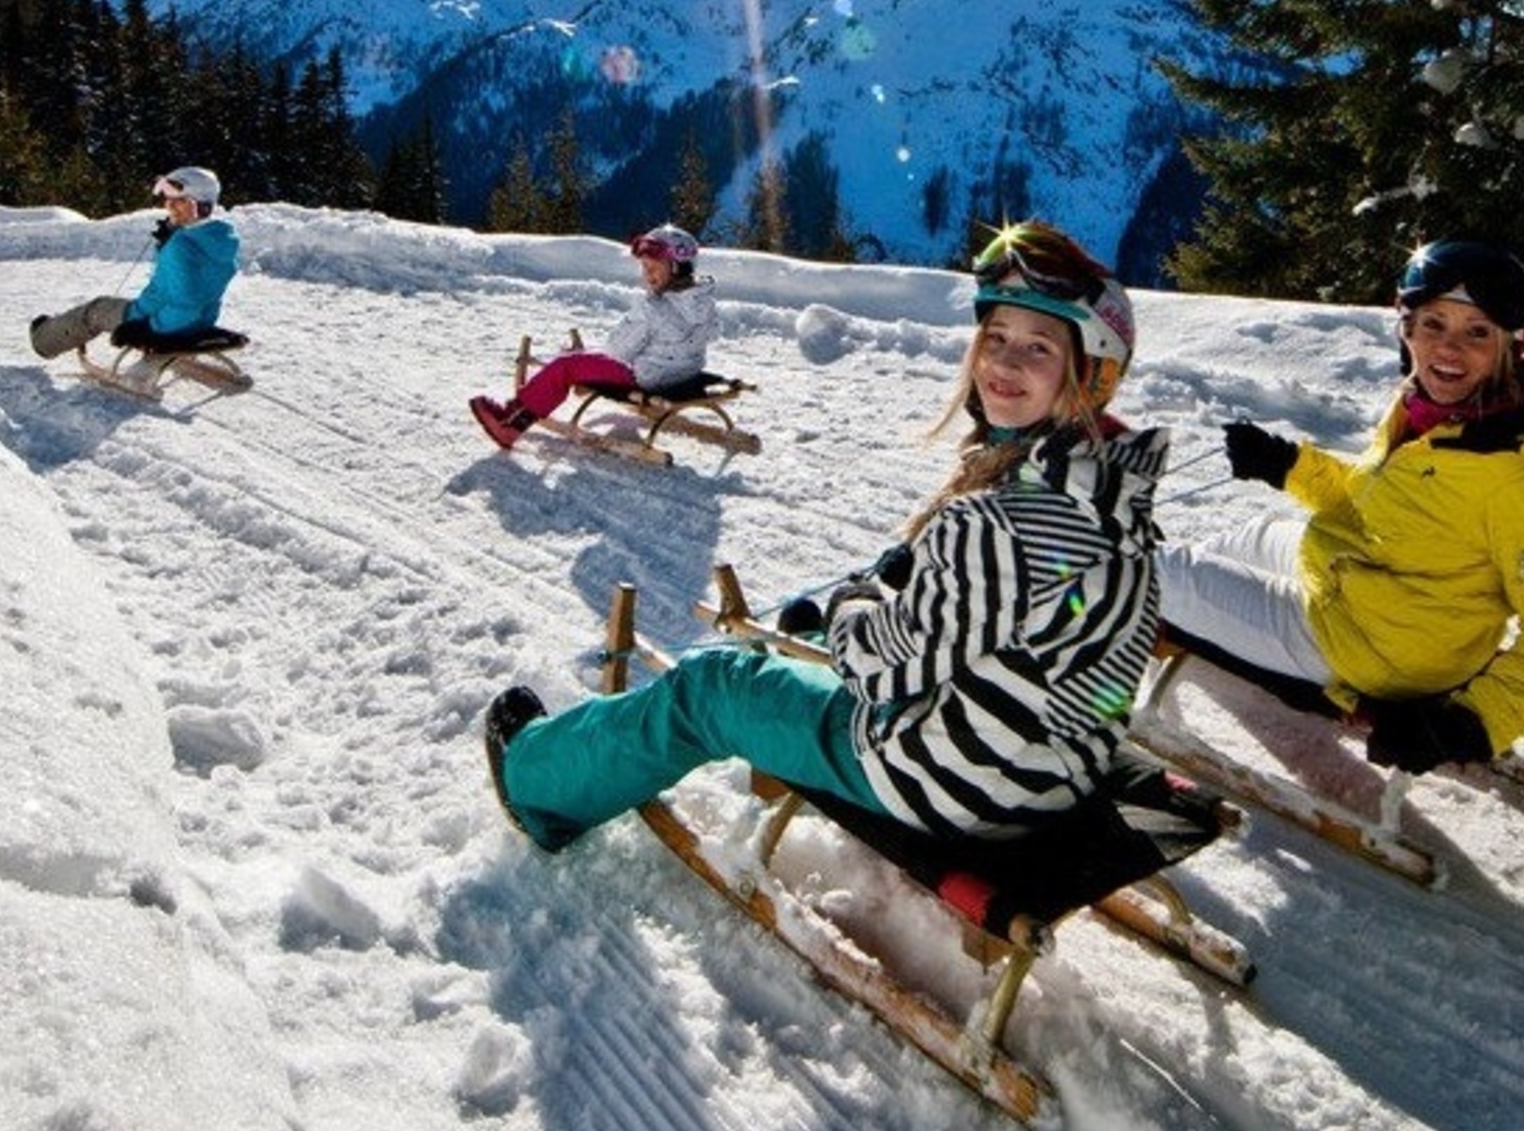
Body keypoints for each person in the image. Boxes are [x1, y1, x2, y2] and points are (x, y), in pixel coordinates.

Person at [483, 219, 1170, 854]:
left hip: (958, 785)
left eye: (1038, 347)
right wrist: (904, 593)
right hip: (1055, 768)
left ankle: (536, 783)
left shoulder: (994, 522)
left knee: (713, 683)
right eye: (995, 338)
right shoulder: (1114, 497)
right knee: (803, 647)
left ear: (1091, 372)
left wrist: (848, 611)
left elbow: (882, 666)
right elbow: (995, 620)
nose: (1004, 362)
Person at [1155, 239, 1524, 774]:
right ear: (1406, 329)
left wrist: (1470, 724)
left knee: (1153, 570)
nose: (1448, 349)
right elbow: (1382, 502)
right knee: (1252, 537)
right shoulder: (1428, 410)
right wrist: (1288, 465)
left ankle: (1115, 599)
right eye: (1433, 325)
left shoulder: (1521, 477)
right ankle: (1171, 608)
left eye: (1477, 332)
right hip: (1371, 596)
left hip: (1380, 654)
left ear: (1510, 346)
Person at [470, 223, 719, 450]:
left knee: (565, 366)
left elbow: (615, 351)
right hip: (684, 374)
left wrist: (588, 359)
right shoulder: (704, 301)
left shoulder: (651, 308)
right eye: (644, 267)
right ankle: (515, 417)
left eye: (653, 268)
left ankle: (510, 422)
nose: (647, 274)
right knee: (587, 360)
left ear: (677, 267)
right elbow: (713, 333)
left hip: (646, 377)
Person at [28, 167, 240, 361]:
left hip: (155, 319)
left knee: (95, 310)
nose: (169, 206)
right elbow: (194, 284)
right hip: (200, 321)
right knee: (110, 306)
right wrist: (171, 237)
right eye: (168, 200)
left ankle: (43, 341)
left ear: (201, 206)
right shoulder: (219, 239)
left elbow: (187, 301)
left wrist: (147, 328)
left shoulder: (180, 247)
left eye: (180, 201)